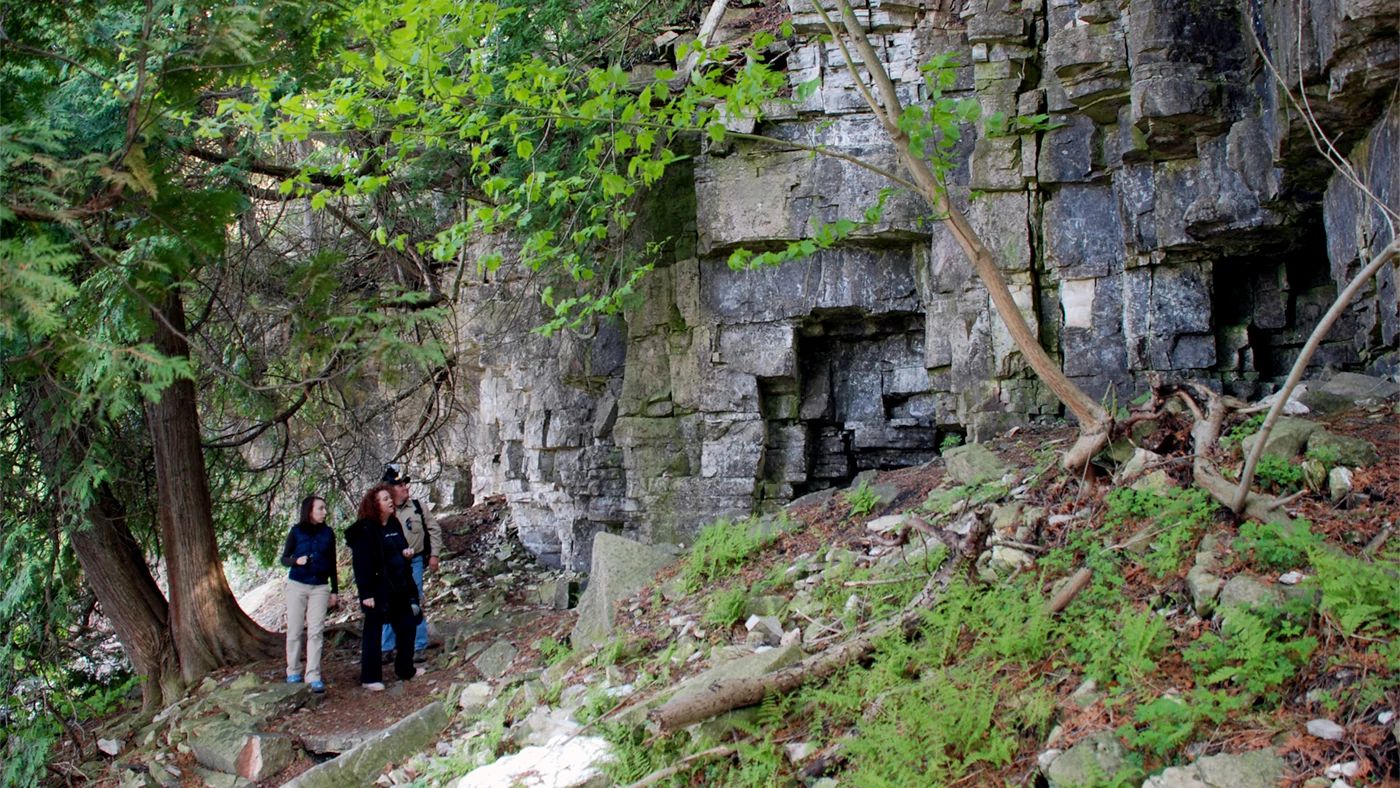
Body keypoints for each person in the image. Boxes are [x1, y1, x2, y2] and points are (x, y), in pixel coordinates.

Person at [345, 484, 420, 690]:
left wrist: (407, 553)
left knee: (407, 627)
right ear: (375, 504)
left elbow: (400, 547)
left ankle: (405, 670)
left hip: (399, 586)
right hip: (377, 589)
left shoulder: (394, 524)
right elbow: (361, 564)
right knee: (373, 631)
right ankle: (370, 677)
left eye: (389, 498)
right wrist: (366, 593)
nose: (390, 501)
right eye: (385, 498)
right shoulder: (365, 530)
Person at [379, 464, 443, 660]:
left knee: (413, 602)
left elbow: (433, 529)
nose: (406, 488)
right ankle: (386, 648)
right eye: (400, 486)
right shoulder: (383, 510)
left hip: (414, 562)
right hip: (389, 564)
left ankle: (418, 645)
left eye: (405, 484)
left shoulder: (417, 507)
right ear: (390, 489)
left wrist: (434, 555)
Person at [280, 495, 339, 694]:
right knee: (295, 630)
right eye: (320, 508)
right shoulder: (296, 532)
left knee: (316, 631)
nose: (324, 512)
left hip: (320, 587)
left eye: (325, 508)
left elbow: (332, 563)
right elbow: (284, 559)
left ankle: (313, 675)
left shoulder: (329, 533)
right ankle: (293, 671)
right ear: (310, 511)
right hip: (297, 584)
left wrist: (335, 590)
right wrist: (297, 561)